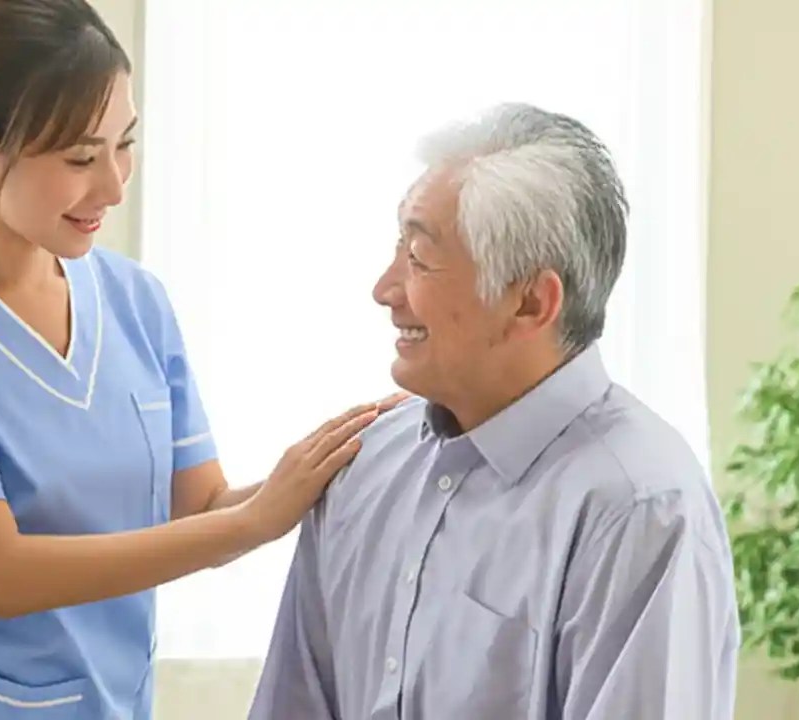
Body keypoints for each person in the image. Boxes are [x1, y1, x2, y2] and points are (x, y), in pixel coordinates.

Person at [0, 2, 399, 718]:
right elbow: (0, 575)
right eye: (79, 158)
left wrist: (338, 463)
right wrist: (253, 524)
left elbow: (201, 509)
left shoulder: (136, 302)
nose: (114, 185)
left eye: (124, 144)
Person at [248, 103, 740, 720]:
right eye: (397, 246)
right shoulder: (359, 468)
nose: (385, 289)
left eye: (420, 258)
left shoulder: (641, 511)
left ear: (532, 302)